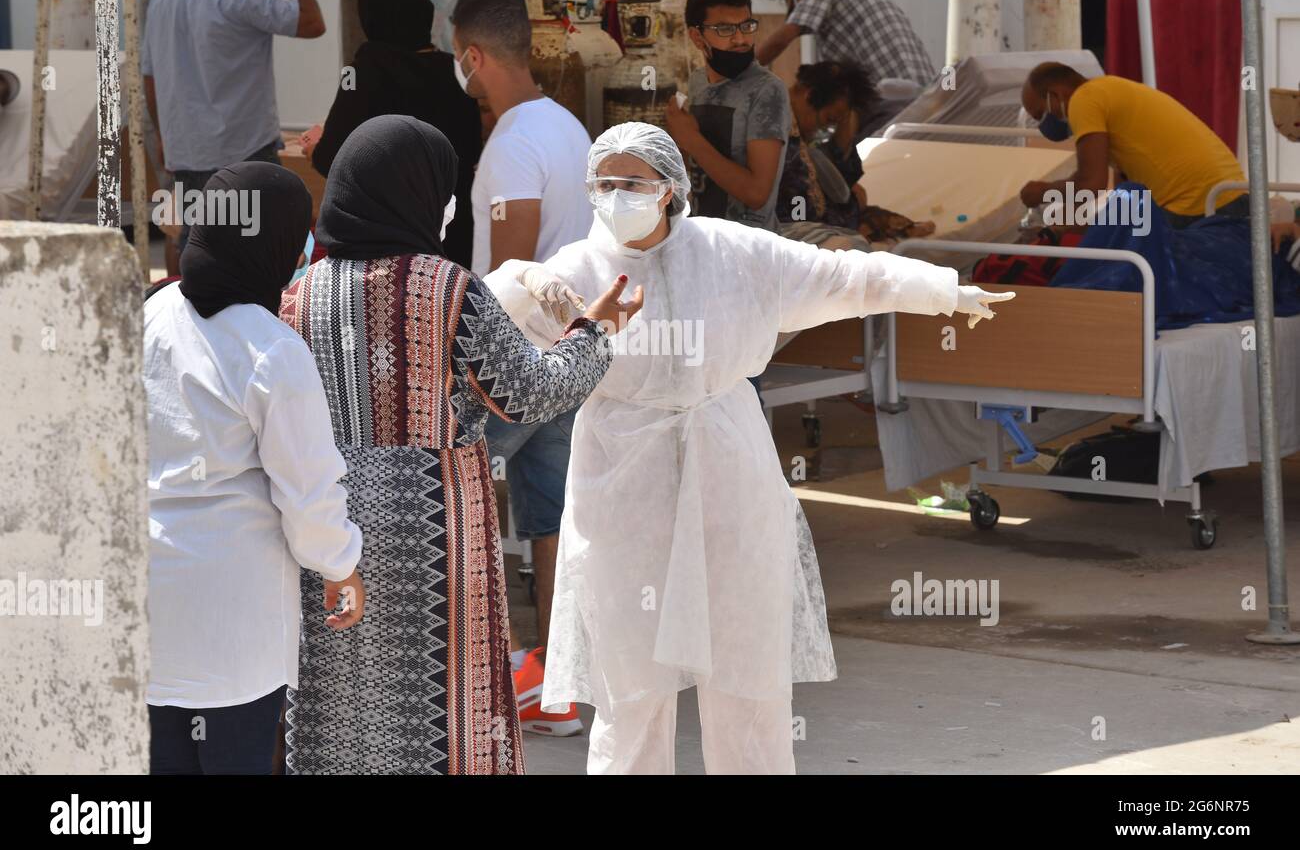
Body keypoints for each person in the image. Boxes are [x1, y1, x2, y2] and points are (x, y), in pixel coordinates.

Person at [485, 122, 1015, 774]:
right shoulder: (578, 271)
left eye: (634, 184)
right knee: (632, 693)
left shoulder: (733, 252)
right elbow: (480, 318)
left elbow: (845, 276)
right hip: (623, 486)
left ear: (671, 187)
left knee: (748, 685)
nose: (618, 197)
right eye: (605, 185)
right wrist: (523, 280)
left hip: (730, 473)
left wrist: (942, 292)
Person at [279, 115, 639, 774]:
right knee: (445, 710)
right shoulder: (447, 288)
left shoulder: (300, 292)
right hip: (435, 527)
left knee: (346, 703)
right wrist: (595, 332)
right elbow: (529, 393)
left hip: (326, 524)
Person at [144, 162, 366, 775]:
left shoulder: (147, 316)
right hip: (232, 625)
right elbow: (309, 491)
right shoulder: (271, 349)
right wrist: (340, 565)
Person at [453, 0, 596, 733]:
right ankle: (558, 683)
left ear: (473, 57)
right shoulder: (570, 128)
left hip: (512, 360)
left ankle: (503, 674)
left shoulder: (512, 142)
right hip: (564, 355)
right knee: (551, 519)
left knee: (469, 504)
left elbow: (510, 265)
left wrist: (477, 360)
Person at [142, 0, 325, 259]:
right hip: (246, 151)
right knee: (261, 248)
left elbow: (151, 75)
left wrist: (165, 134)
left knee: (199, 245)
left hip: (188, 152)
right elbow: (313, 22)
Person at [297, 0, 481, 268]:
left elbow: (332, 157)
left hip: (385, 247)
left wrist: (315, 149)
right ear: (425, 12)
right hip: (455, 233)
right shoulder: (454, 72)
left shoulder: (367, 71)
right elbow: (471, 148)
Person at [1018, 62, 1249, 230]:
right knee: (1106, 230)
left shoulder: (1083, 99)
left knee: (1104, 260)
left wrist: (1042, 193)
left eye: (1040, 114)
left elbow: (1091, 183)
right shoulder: (1110, 89)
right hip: (1231, 196)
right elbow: (1123, 196)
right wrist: (1068, 222)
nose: (1043, 124)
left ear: (1055, 95)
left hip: (1195, 207)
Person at [664, 0, 789, 233]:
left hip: (749, 246)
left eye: (746, 26)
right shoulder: (698, 81)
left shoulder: (766, 90)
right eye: (724, 29)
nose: (740, 39)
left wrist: (692, 140)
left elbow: (756, 194)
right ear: (697, 37)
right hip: (702, 237)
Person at [777, 61, 935, 251]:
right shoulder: (778, 132)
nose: (821, 129)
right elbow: (798, 212)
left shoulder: (799, 129)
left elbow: (839, 172)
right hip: (801, 227)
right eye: (828, 120)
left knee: (860, 205)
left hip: (822, 214)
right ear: (809, 95)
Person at [140, 0, 210, 276]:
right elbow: (159, 61)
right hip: (169, 111)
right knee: (179, 219)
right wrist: (165, 129)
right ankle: (175, 293)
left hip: (187, 113)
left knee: (190, 215)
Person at [757, 0, 935, 88]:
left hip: (894, 92)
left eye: (797, 9)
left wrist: (740, 70)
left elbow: (781, 39)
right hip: (926, 92)